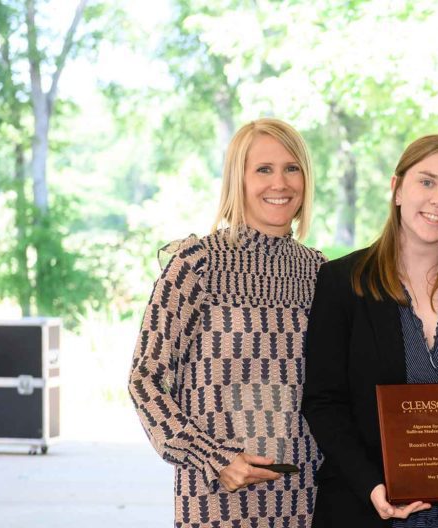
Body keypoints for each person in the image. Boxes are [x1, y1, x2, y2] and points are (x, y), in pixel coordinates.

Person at [302, 134, 438, 527]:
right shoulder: (342, 281)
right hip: (367, 508)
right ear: (396, 188)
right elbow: (323, 401)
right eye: (427, 182)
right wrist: (370, 484)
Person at [128, 118, 325, 527]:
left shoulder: (321, 273)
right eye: (264, 169)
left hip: (309, 497)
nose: (281, 183)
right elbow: (145, 379)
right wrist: (213, 457)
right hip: (216, 500)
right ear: (238, 179)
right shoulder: (196, 264)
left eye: (293, 168)